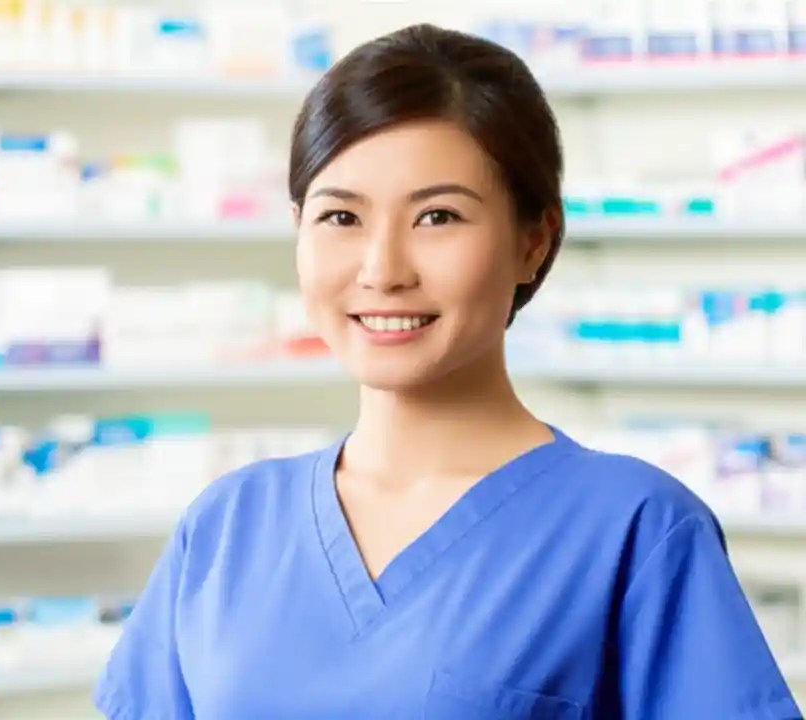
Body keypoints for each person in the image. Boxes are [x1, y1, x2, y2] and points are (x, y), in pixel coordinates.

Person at [92, 22, 802, 720]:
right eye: (341, 217)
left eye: (437, 217)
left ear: (533, 240)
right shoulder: (227, 528)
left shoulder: (634, 530)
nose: (383, 271)